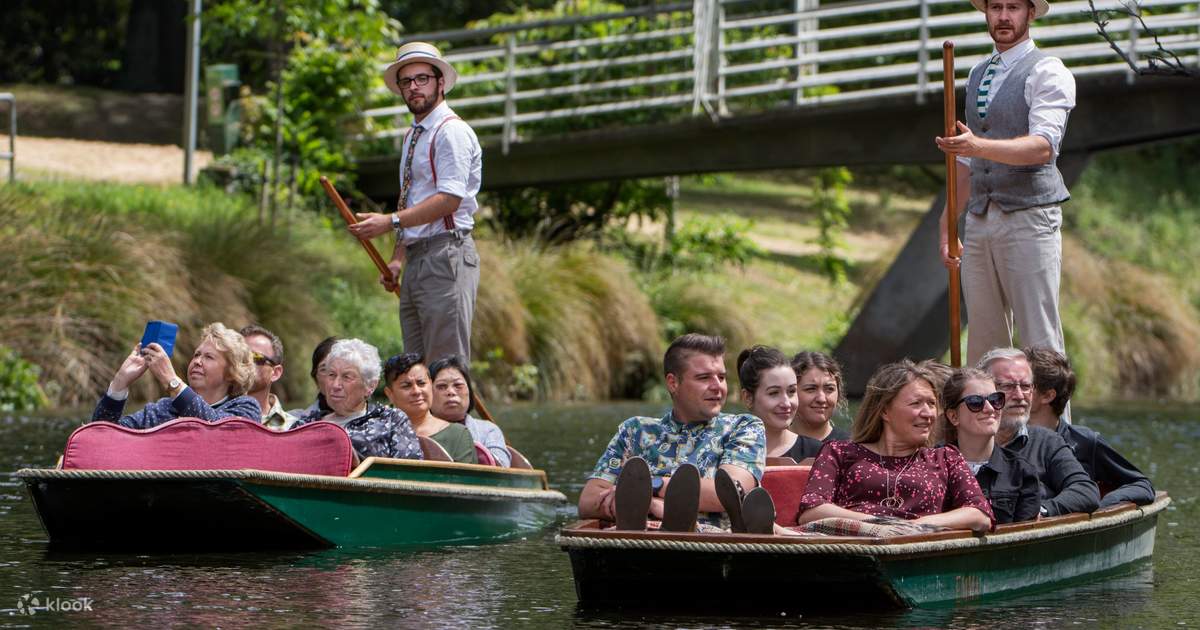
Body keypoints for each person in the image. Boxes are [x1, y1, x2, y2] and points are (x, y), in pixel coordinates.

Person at [935, 0, 1076, 368]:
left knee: (1039, 340)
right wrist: (948, 219)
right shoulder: (979, 73)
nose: (1003, 16)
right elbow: (967, 159)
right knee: (984, 343)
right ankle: (988, 426)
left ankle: (1053, 427)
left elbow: (1043, 147)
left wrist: (976, 146)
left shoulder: (1048, 71)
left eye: (1013, 7)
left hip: (1029, 216)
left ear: (1030, 13)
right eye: (995, 6)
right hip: (981, 219)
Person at [346, 42, 483, 363]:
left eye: (421, 79)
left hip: (446, 253)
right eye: (406, 82)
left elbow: (449, 200)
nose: (413, 88)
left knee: (445, 365)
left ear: (440, 82)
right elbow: (411, 196)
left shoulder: (451, 132)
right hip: (418, 258)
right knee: (415, 367)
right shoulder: (413, 135)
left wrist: (389, 221)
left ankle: (455, 416)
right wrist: (397, 258)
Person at [578, 334, 766, 531]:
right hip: (640, 538)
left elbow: (729, 493)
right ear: (673, 383)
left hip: (712, 541)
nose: (717, 386)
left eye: (721, 377)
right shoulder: (635, 431)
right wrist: (643, 504)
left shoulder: (744, 427)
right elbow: (588, 501)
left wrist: (647, 489)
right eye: (704, 378)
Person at [796, 360, 994, 532]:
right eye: (916, 403)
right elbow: (812, 510)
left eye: (932, 404)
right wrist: (879, 525)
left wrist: (920, 525)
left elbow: (980, 513)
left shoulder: (946, 458)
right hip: (855, 555)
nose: (928, 413)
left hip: (919, 556)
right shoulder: (839, 452)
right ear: (885, 411)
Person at [1024, 346, 1155, 507]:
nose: (1013, 391)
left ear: (1047, 395)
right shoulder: (1003, 437)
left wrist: (1102, 505)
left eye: (1024, 384)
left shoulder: (1084, 441)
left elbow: (1142, 485)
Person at [978, 348, 1099, 515]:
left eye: (1026, 386)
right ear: (982, 390)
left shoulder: (1048, 442)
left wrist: (1041, 511)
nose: (1019, 395)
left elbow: (1085, 490)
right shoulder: (961, 443)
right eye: (1007, 386)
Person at [92, 322, 260, 429]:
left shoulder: (246, 408)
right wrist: (119, 384)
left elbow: (216, 429)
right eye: (196, 355)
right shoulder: (162, 409)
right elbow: (102, 438)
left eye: (208, 357)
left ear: (232, 373)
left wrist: (172, 382)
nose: (197, 361)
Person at [292, 339, 423, 461]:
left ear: (370, 386)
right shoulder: (307, 422)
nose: (335, 385)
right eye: (331, 375)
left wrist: (357, 465)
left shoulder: (390, 420)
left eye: (346, 377)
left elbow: (410, 475)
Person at [940, 367, 1041, 523]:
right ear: (953, 416)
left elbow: (1025, 539)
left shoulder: (1022, 472)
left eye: (995, 400)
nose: (989, 409)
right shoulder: (931, 467)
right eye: (975, 402)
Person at [384, 352, 477, 464]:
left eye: (421, 383)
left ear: (431, 385)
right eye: (406, 386)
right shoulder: (380, 433)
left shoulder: (458, 435)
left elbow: (466, 480)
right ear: (390, 394)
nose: (416, 391)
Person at [736, 346, 822, 462]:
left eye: (791, 391)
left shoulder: (817, 452)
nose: (786, 403)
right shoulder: (728, 452)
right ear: (748, 398)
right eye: (774, 393)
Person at [428, 354, 510, 467]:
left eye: (458, 385)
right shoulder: (415, 429)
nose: (450, 392)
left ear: (469, 392)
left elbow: (502, 471)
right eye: (442, 386)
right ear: (428, 394)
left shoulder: (488, 431)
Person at [239, 324, 296, 431]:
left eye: (255, 357)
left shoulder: (295, 429)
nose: (246, 363)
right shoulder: (209, 419)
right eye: (240, 356)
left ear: (275, 373)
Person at [789, 351, 849, 444]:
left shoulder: (852, 447)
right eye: (811, 389)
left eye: (829, 389)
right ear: (791, 393)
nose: (821, 399)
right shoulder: (768, 445)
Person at [288, 336, 339, 418]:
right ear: (316, 380)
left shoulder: (366, 424)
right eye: (324, 369)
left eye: (346, 374)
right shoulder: (293, 421)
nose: (336, 382)